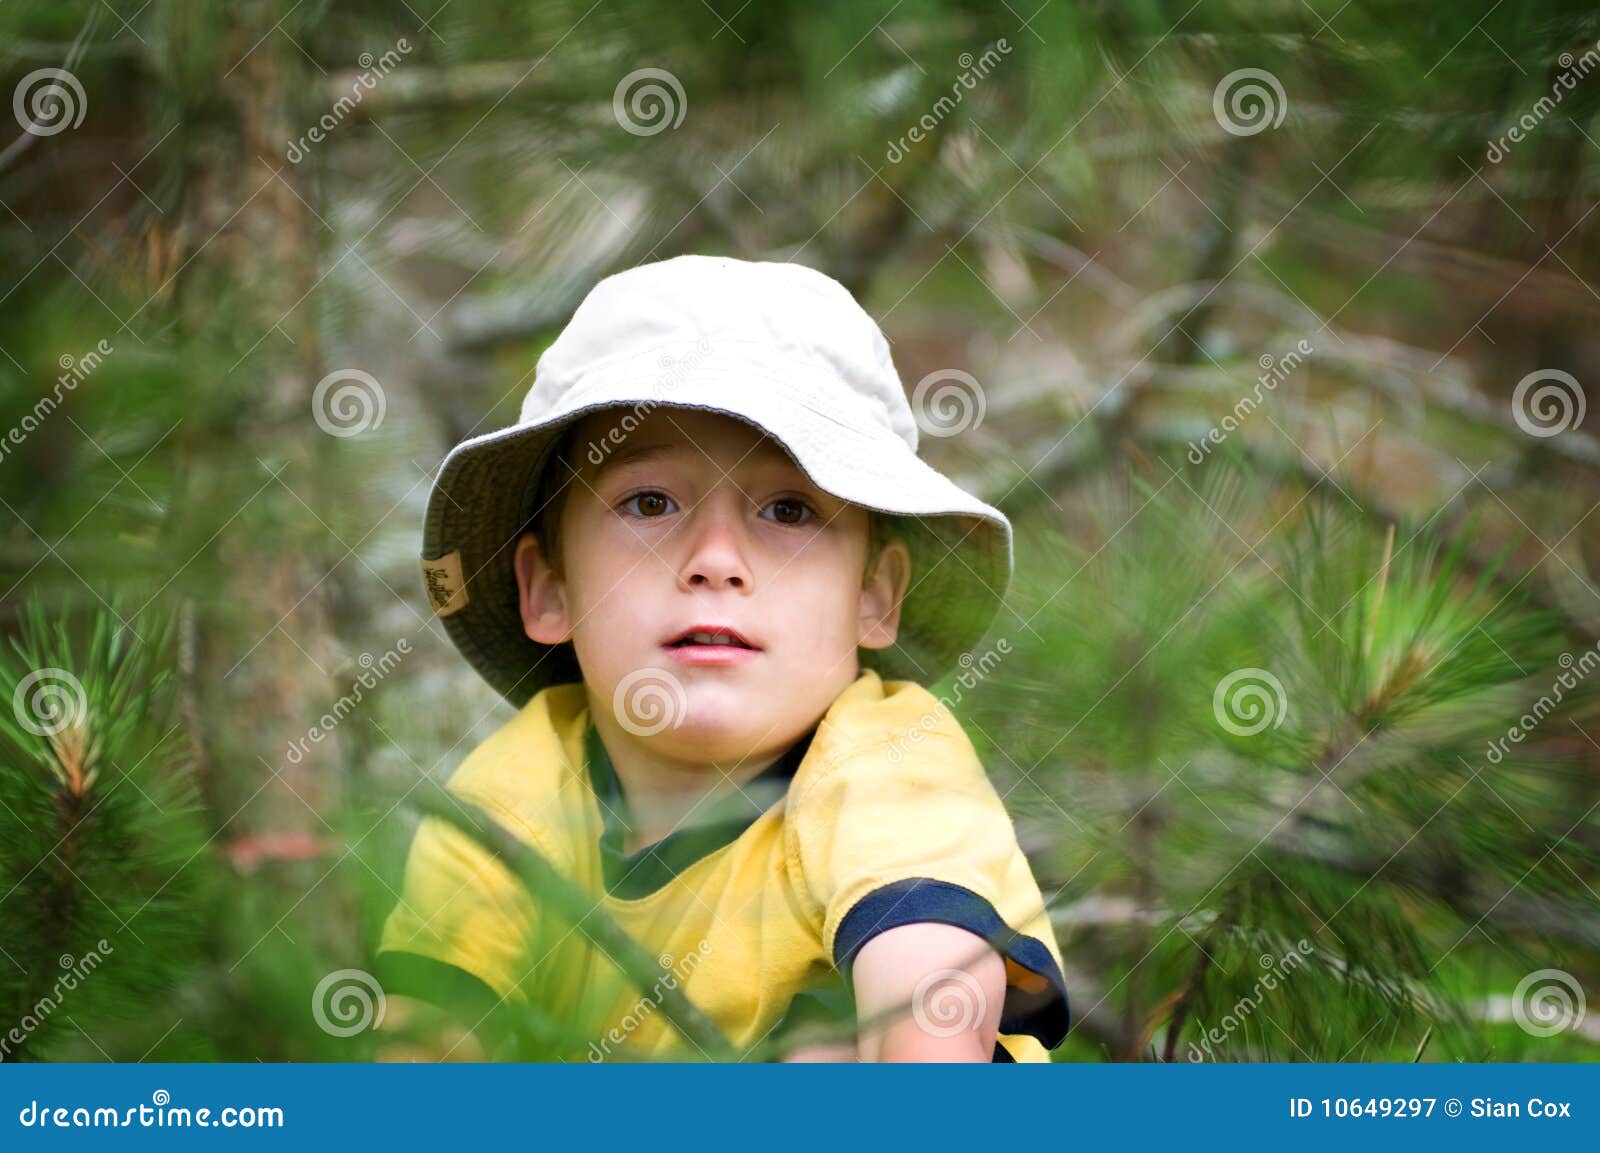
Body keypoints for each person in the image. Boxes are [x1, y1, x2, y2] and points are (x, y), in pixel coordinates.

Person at [375, 254, 1068, 1061]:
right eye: (649, 502)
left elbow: (925, 1033)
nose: (714, 560)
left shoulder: (888, 761)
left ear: (875, 594)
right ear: (549, 587)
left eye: (788, 510)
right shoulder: (511, 796)